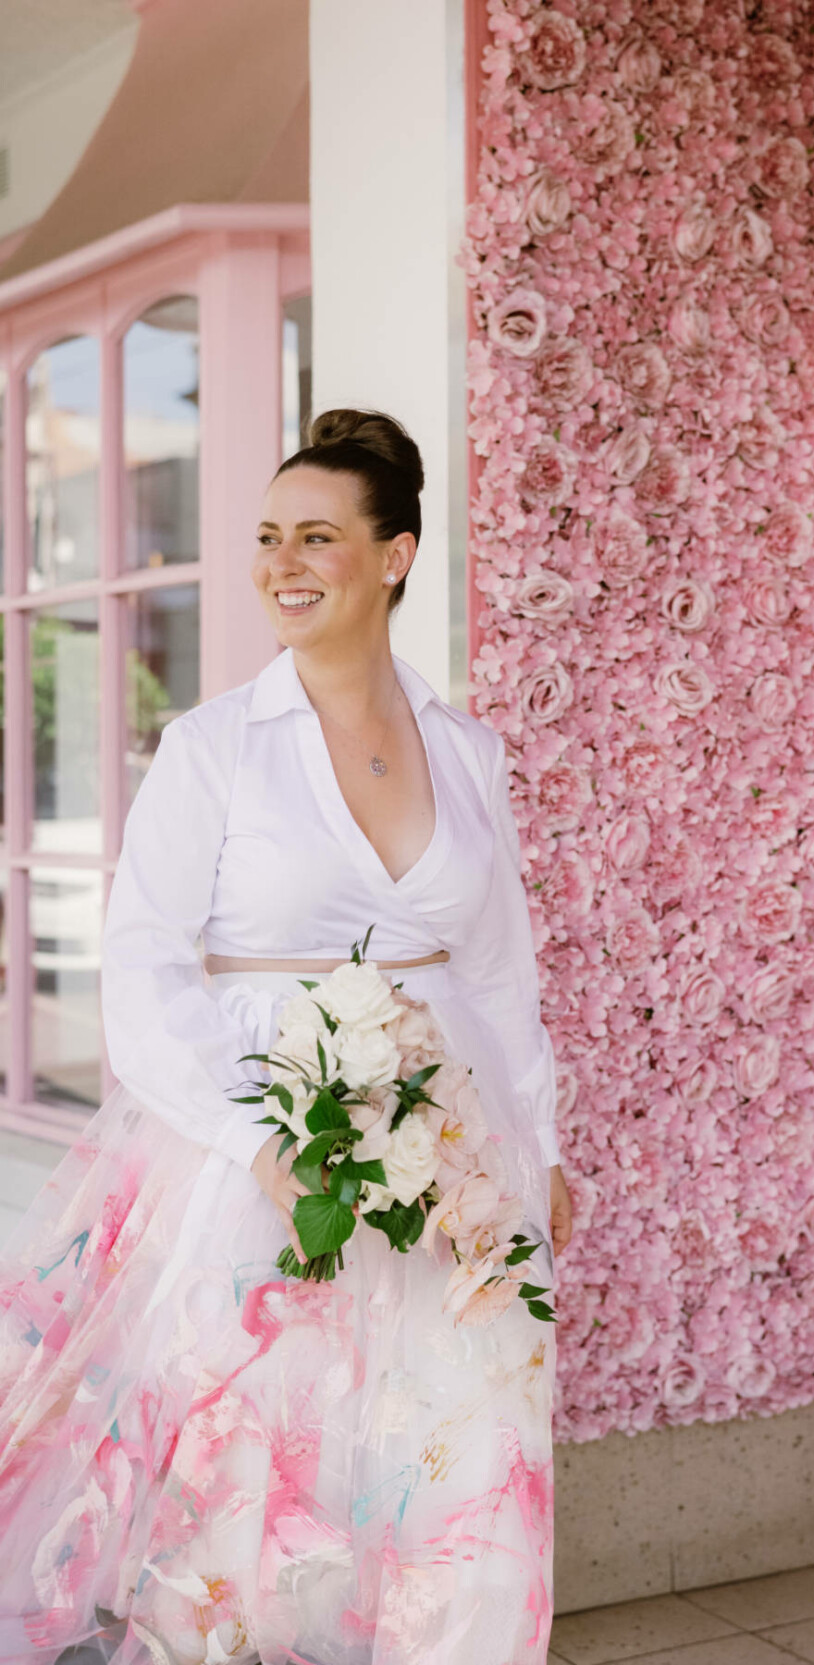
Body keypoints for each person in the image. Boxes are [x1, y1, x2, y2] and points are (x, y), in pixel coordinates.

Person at [0, 408, 573, 1665]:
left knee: (454, 1456)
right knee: (258, 1484)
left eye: (318, 536)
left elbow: (499, 969)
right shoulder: (212, 752)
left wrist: (540, 1147)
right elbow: (144, 967)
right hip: (259, 1160)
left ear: (397, 555)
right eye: (268, 539)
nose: (283, 565)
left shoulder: (469, 755)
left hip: (453, 1169)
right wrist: (254, 1141)